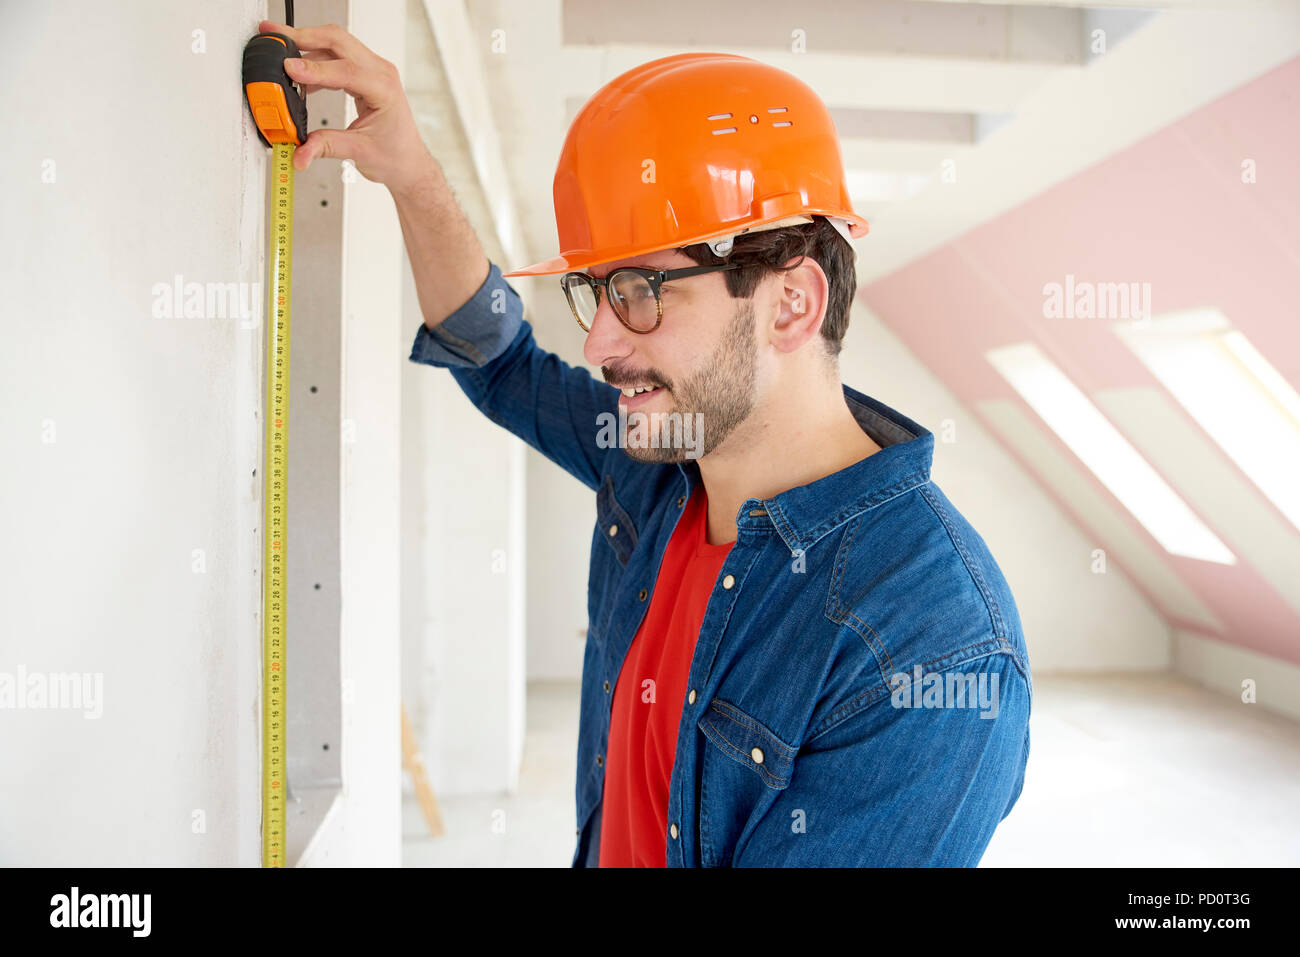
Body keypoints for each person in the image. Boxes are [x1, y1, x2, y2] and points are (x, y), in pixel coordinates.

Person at [261, 19, 1033, 867]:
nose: (599, 345)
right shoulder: (656, 466)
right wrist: (409, 169)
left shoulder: (933, 648)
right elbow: (499, 361)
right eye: (598, 293)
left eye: (640, 291)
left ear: (790, 305)